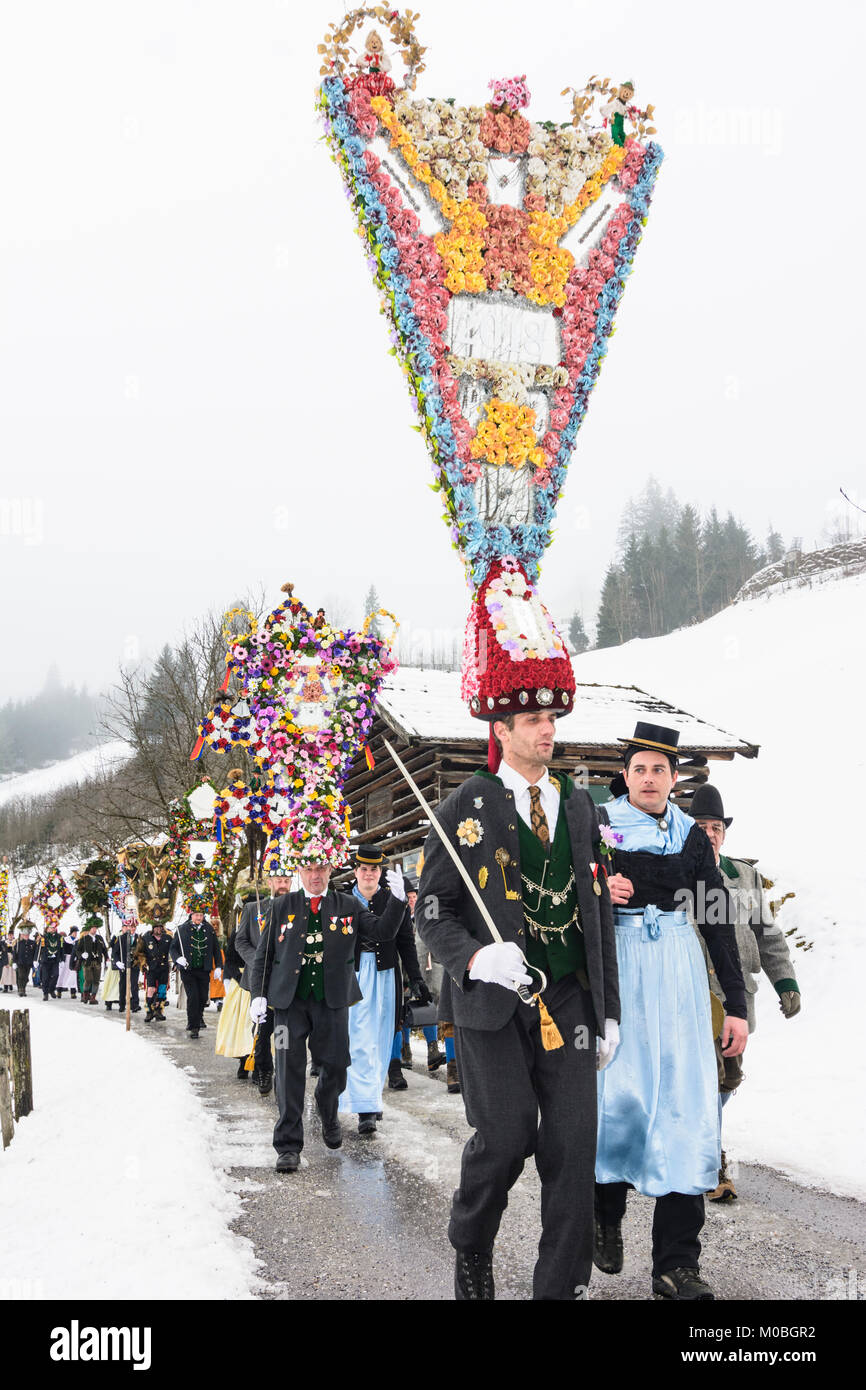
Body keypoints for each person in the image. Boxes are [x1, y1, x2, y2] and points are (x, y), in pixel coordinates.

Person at [418, 700, 620, 1301]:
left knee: (573, 1143)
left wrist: (609, 1010)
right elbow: (433, 910)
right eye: (532, 720)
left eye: (551, 718)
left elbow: (598, 908)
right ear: (501, 732)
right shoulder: (463, 805)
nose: (547, 728)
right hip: (493, 1000)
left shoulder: (581, 805)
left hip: (569, 998)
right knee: (505, 1137)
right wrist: (478, 958)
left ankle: (560, 1286)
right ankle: (472, 1245)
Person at [594, 724, 749, 1302]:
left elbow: (715, 915)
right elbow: (562, 892)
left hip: (680, 973)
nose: (650, 778)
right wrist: (597, 888)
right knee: (617, 1094)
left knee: (686, 1104)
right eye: (640, 769)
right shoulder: (599, 824)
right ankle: (602, 1213)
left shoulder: (689, 836)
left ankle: (676, 1263)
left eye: (660, 769)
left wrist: (735, 1004)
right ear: (626, 775)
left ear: (674, 778)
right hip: (622, 970)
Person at [249, 857, 406, 1172]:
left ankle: (327, 1106)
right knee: (286, 1069)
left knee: (336, 1067)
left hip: (332, 1001)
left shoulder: (346, 905)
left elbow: (382, 932)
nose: (314, 876)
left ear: (330, 871)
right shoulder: (282, 906)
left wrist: (399, 902)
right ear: (300, 872)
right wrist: (258, 996)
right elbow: (264, 955)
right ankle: (288, 1145)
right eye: (307, 869)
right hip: (288, 1004)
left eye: (320, 869)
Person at [690, 782, 801, 1201]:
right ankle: (709, 1162)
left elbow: (768, 934)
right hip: (694, 997)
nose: (710, 834)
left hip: (738, 999)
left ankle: (700, 1145)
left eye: (716, 827)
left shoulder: (745, 876)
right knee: (705, 1080)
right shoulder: (676, 873)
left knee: (727, 1080)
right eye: (701, 826)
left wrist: (785, 981)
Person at [340, 846, 428, 1128]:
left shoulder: (391, 898)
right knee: (359, 1040)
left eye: (374, 869)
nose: (368, 874)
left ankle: (372, 1098)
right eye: (364, 869)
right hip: (354, 975)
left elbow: (405, 941)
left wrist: (416, 978)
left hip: (386, 974)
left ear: (380, 872)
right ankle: (365, 1107)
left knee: (380, 1039)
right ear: (356, 872)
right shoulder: (342, 900)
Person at [236, 878, 289, 1094]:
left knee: (284, 1027)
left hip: (286, 980)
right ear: (270, 882)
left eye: (286, 880)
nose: (283, 884)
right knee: (262, 1027)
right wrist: (258, 959)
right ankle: (263, 1068)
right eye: (279, 880)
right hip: (260, 980)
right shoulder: (252, 908)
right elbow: (240, 941)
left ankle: (285, 1070)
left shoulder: (296, 905)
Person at [170, 907, 222, 1040]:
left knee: (203, 997)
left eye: (201, 915)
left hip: (203, 969)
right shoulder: (182, 929)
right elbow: (173, 948)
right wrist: (178, 958)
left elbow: (216, 948)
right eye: (196, 915)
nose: (199, 918)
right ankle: (194, 1026)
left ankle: (196, 1018)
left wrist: (218, 966)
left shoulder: (209, 929)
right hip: (188, 970)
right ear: (191, 915)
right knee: (193, 997)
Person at [138, 921, 172, 1022]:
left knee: (162, 990)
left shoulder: (168, 938)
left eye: (160, 927)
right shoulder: (146, 937)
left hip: (164, 968)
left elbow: (173, 951)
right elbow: (140, 952)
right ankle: (149, 1011)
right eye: (156, 927)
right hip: (151, 968)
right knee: (151, 989)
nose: (158, 929)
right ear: (153, 928)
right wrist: (143, 963)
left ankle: (158, 1010)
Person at [74, 919, 108, 1004]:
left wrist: (107, 957)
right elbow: (77, 950)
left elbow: (104, 949)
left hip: (97, 962)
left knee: (96, 980)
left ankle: (93, 997)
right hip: (87, 962)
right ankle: (85, 996)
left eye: (95, 928)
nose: (94, 930)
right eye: (93, 928)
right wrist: (81, 955)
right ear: (89, 929)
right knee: (88, 979)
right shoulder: (84, 939)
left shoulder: (99, 938)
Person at [111, 922, 141, 1015]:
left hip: (135, 965)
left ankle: (135, 1005)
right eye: (131, 927)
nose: (132, 929)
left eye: (134, 927)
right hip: (124, 965)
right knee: (123, 985)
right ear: (127, 927)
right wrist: (117, 962)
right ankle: (122, 1005)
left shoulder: (139, 938)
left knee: (134, 985)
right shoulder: (121, 938)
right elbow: (115, 953)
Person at [37, 923, 67, 1000]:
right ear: (47, 929)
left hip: (55, 960)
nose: (52, 929)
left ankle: (51, 989)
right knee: (45, 978)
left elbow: (62, 949)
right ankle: (45, 993)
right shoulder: (43, 938)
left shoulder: (59, 937)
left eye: (54, 928)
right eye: (51, 928)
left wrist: (62, 959)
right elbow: (38, 949)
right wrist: (35, 960)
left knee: (56, 975)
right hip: (45, 960)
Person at [12, 925, 37, 996]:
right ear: (22, 935)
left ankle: (23, 988)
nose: (26, 936)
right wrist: (14, 962)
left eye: (27, 935)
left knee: (26, 977)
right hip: (20, 962)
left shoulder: (33, 943)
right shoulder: (18, 943)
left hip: (28, 962)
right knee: (21, 976)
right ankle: (21, 989)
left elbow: (35, 953)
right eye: (24, 935)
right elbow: (15, 953)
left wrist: (35, 961)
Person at [55, 928, 79, 998]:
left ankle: (73, 992)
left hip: (73, 959)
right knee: (62, 975)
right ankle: (59, 991)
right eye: (74, 932)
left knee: (73, 975)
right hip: (66, 958)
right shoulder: (65, 940)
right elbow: (61, 950)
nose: (75, 934)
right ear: (71, 933)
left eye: (76, 933)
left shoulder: (77, 941)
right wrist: (61, 959)